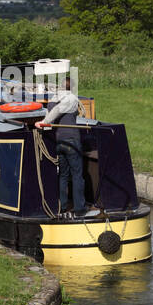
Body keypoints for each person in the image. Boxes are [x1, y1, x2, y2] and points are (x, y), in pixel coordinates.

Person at [37, 79, 87, 217]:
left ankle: (62, 206)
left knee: (63, 175)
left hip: (58, 142)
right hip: (72, 141)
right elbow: (63, 111)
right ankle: (79, 209)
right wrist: (44, 122)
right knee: (77, 176)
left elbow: (53, 113)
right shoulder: (71, 99)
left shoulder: (53, 100)